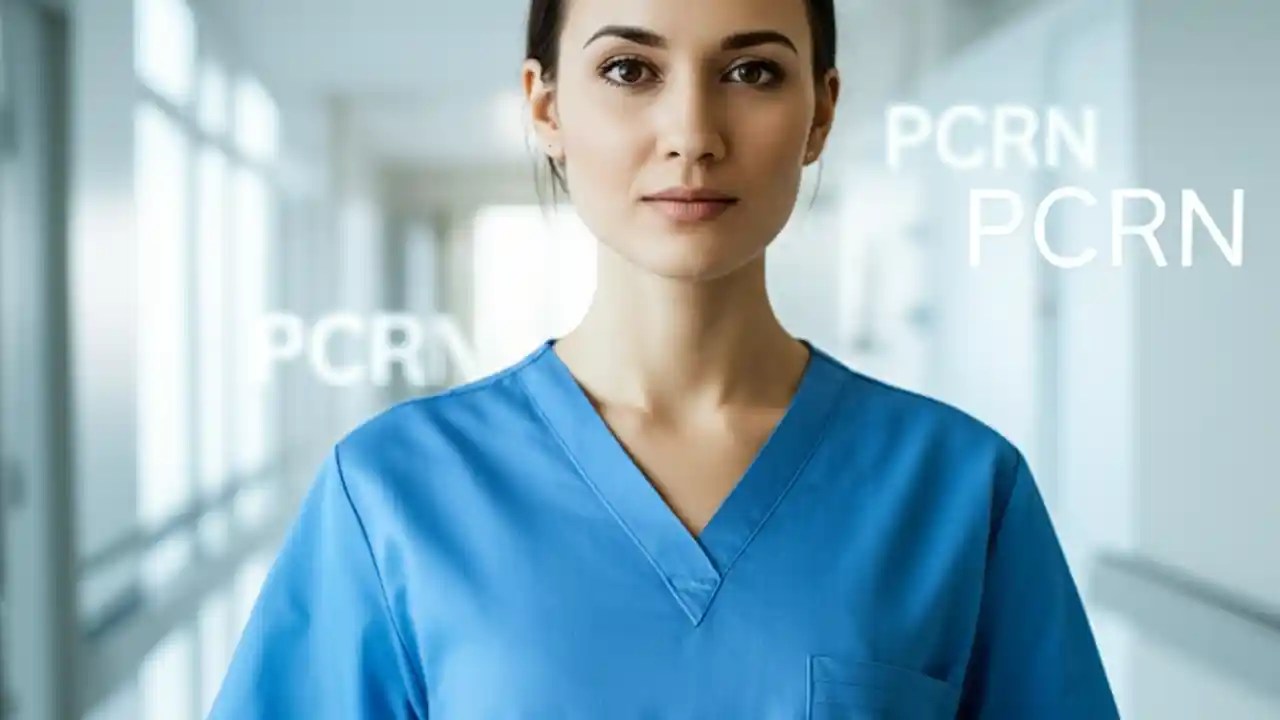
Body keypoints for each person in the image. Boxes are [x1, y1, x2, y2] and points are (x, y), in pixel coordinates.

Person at [209, 0, 1121, 717]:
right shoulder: (392, 492)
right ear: (547, 106)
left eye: (753, 71)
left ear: (821, 114)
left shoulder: (960, 491)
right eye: (628, 69)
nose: (693, 132)